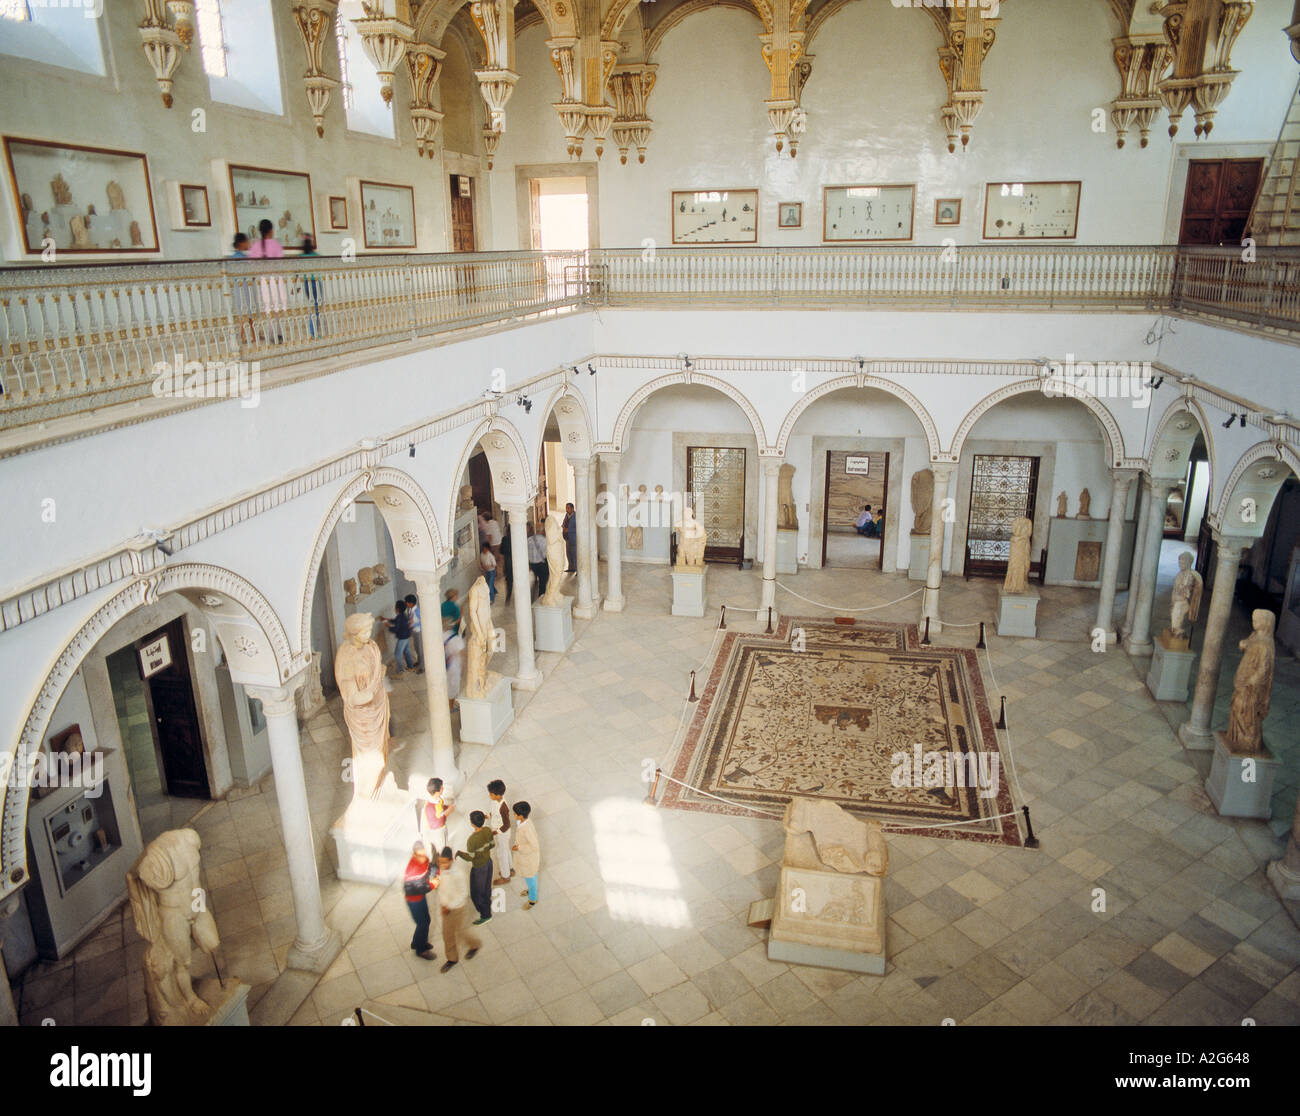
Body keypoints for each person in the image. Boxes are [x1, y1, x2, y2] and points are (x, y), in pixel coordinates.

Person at [434, 846, 481, 973]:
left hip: (457, 908)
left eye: (444, 862)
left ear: (451, 861)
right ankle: (452, 959)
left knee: (460, 932)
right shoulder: (443, 870)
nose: (442, 865)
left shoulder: (459, 874)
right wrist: (443, 904)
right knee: (447, 934)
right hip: (446, 908)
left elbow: (463, 894)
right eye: (440, 862)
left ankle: (474, 945)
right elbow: (442, 888)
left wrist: (449, 906)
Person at [456, 810, 495, 925]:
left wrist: (459, 853)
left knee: (476, 893)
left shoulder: (472, 840)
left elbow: (470, 857)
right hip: (489, 863)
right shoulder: (488, 830)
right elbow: (492, 845)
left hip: (479, 868)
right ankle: (487, 905)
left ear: (472, 823)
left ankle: (485, 915)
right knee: (486, 888)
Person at [402, 842, 438, 961]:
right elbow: (419, 888)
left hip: (420, 897)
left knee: (426, 920)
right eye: (420, 855)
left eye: (424, 854)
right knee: (423, 923)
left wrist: (437, 872)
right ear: (414, 854)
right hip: (414, 901)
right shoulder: (412, 870)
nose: (423, 858)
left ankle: (417, 942)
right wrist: (433, 884)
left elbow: (430, 868)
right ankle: (421, 950)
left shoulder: (424, 859)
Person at [512, 800, 540, 910]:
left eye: (514, 814)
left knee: (530, 877)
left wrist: (519, 847)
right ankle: (531, 889)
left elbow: (534, 846)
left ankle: (533, 899)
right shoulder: (523, 822)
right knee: (531, 876)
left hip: (529, 859)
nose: (513, 815)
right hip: (525, 858)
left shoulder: (527, 829)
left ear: (521, 816)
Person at [488, 779, 513, 884]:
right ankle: (510, 869)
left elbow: (506, 825)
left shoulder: (503, 807)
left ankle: (505, 876)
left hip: (503, 833)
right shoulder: (495, 801)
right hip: (499, 830)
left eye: (491, 794)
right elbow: (494, 812)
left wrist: (495, 832)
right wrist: (488, 816)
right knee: (505, 850)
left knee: (501, 854)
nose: (490, 795)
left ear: (498, 795)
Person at [419, 777, 453, 848]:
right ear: (437, 791)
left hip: (442, 827)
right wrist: (447, 812)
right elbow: (437, 823)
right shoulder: (430, 808)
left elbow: (440, 808)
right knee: (442, 846)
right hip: (437, 831)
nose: (443, 788)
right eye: (441, 787)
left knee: (445, 840)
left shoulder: (438, 799)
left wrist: (446, 807)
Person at [387, 599, 415, 675]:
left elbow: (396, 629)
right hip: (407, 636)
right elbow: (396, 621)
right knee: (407, 651)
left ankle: (400, 671)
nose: (394, 608)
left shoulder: (400, 617)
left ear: (397, 609)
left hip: (402, 638)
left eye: (395, 607)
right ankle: (411, 666)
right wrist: (389, 620)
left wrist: (389, 627)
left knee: (397, 654)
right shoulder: (403, 615)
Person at [443, 617, 465, 711]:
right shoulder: (457, 639)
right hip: (453, 666)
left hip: (445, 664)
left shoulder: (443, 634)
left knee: (448, 684)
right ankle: (450, 707)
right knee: (453, 687)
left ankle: (449, 703)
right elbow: (461, 653)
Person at [404, 593, 425, 673]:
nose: (406, 604)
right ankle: (419, 661)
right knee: (416, 648)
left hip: (419, 632)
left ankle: (422, 667)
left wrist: (413, 624)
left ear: (411, 603)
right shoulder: (410, 610)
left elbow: (422, 621)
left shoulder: (417, 611)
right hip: (414, 631)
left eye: (407, 602)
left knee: (420, 649)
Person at [527, 523, 547, 600]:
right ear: (542, 531)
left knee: (533, 582)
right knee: (542, 583)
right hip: (542, 565)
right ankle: (540, 598)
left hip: (532, 565)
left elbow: (526, 553)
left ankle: (531, 599)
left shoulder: (529, 540)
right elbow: (546, 554)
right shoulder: (544, 540)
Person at [562, 502, 577, 572]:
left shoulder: (576, 516)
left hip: (574, 539)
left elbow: (578, 528)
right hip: (567, 538)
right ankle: (571, 568)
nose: (566, 510)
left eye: (568, 508)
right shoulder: (567, 515)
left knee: (575, 555)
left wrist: (568, 530)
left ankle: (577, 569)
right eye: (566, 508)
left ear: (572, 509)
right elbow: (564, 522)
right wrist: (563, 526)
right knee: (568, 554)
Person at [501, 522, 513, 605]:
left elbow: (501, 550)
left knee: (509, 581)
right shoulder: (518, 538)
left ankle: (508, 598)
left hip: (508, 562)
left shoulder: (505, 539)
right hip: (517, 562)